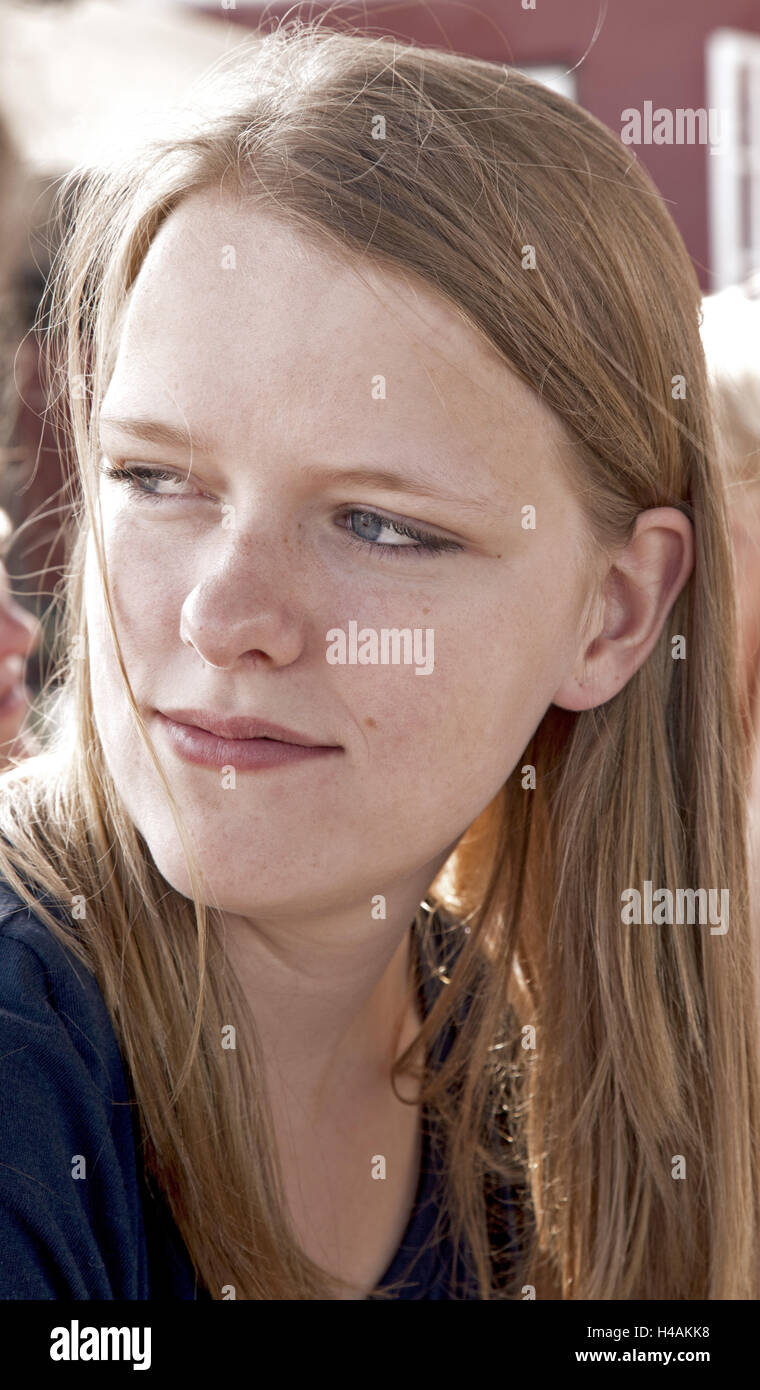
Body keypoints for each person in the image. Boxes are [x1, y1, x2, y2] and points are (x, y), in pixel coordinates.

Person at [0, 20, 758, 1302]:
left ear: (616, 611)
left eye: (380, 524)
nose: (222, 616)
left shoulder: (494, 1059)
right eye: (152, 477)